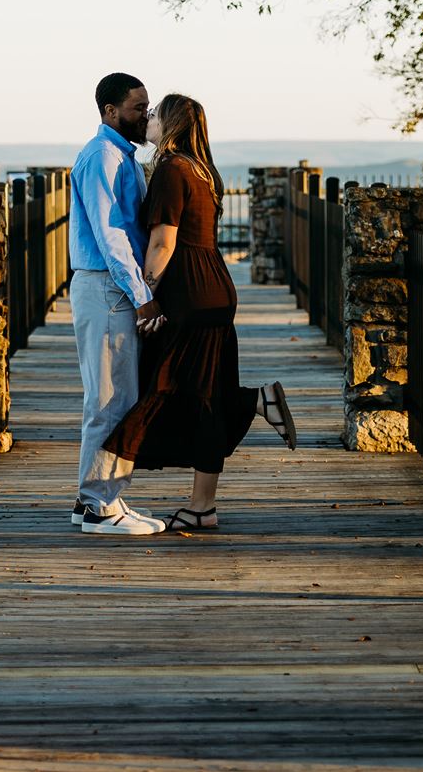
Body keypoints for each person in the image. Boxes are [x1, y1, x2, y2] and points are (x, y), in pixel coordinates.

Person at [104, 92, 297, 532]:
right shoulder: (203, 170)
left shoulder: (173, 169)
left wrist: (143, 294)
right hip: (214, 288)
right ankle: (207, 496)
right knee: (206, 392)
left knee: (177, 390)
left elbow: (163, 242)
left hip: (189, 295)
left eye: (154, 114)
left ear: (169, 124)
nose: (147, 119)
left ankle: (108, 498)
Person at [67, 73, 166, 535]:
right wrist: (141, 297)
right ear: (109, 111)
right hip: (109, 287)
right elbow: (113, 237)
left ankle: (96, 498)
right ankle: (99, 506)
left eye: (147, 108)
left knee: (115, 394)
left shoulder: (119, 155)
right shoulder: (103, 157)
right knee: (110, 398)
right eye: (136, 107)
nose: (144, 116)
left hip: (109, 288)